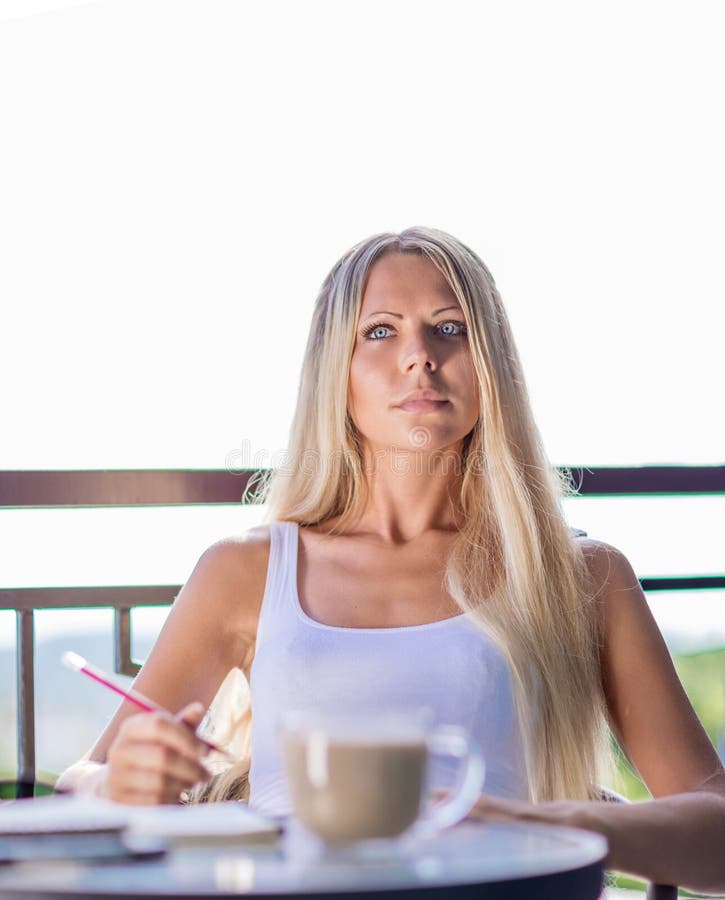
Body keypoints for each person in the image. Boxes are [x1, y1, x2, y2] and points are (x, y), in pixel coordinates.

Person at [57, 227, 725, 892]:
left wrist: (538, 823)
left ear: (491, 365)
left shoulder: (584, 576)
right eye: (379, 331)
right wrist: (118, 784)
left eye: (450, 328)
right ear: (334, 371)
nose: (418, 357)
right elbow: (81, 784)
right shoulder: (247, 570)